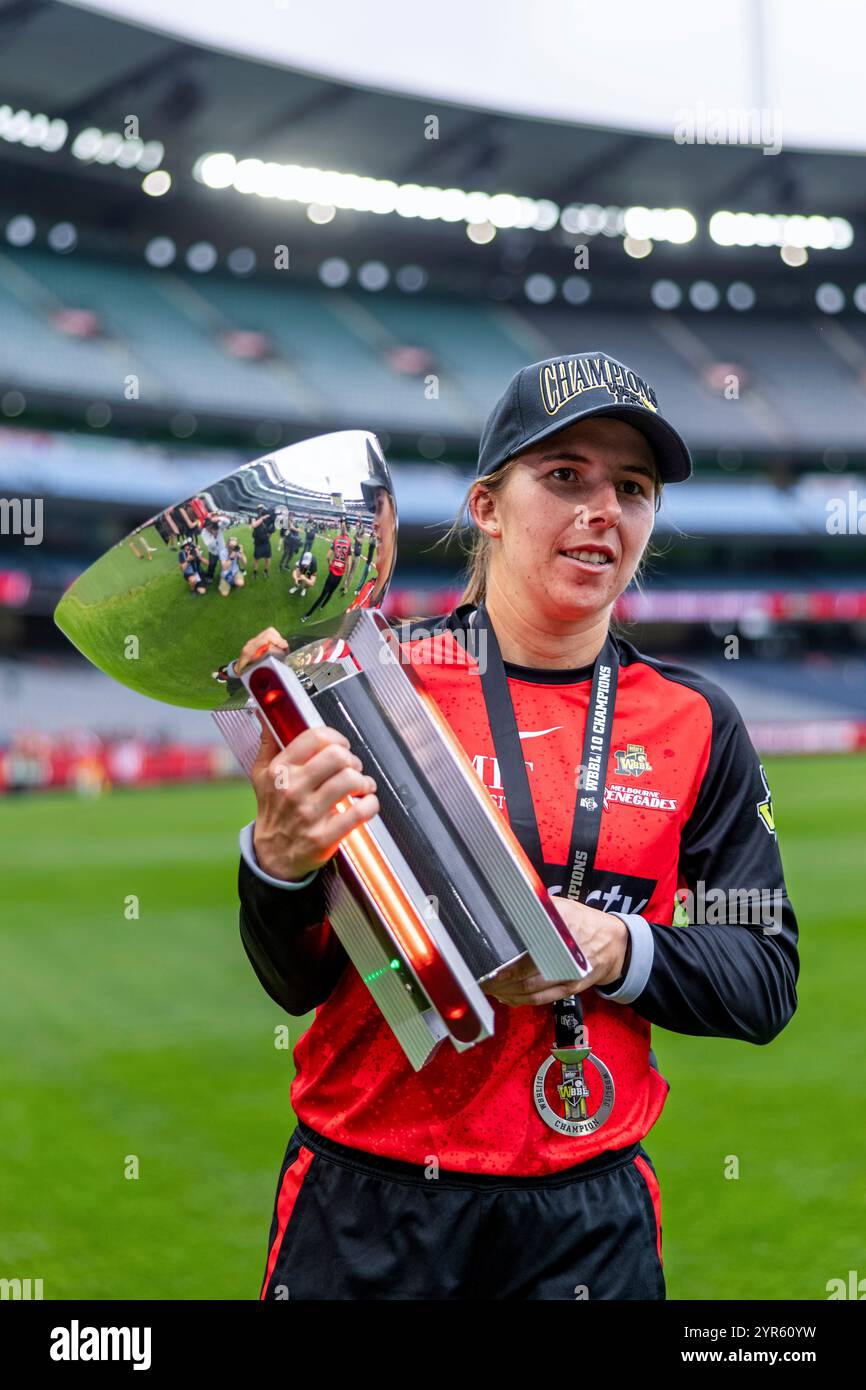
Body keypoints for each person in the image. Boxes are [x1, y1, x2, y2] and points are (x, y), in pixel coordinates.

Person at [234, 351, 800, 1302]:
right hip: (369, 1199)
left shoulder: (696, 723)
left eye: (633, 487)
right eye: (565, 475)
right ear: (488, 507)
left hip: (587, 1216)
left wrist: (618, 948)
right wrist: (279, 864)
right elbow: (298, 981)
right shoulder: (370, 687)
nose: (603, 510)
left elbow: (764, 977)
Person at [300, 519, 351, 621]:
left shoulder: (336, 540)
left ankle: (307, 615)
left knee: (322, 594)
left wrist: (330, 564)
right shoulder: (349, 542)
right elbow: (349, 562)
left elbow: (328, 556)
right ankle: (322, 606)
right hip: (340, 574)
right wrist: (346, 577)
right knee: (331, 593)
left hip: (332, 572)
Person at [251, 504, 277, 580]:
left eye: (262, 508)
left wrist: (269, 534)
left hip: (265, 542)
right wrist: (262, 518)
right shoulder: (254, 518)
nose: (261, 510)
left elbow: (271, 530)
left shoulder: (268, 519)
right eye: (259, 509)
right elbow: (254, 525)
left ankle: (265, 571)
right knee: (256, 559)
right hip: (258, 542)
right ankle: (255, 572)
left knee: (268, 558)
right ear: (257, 510)